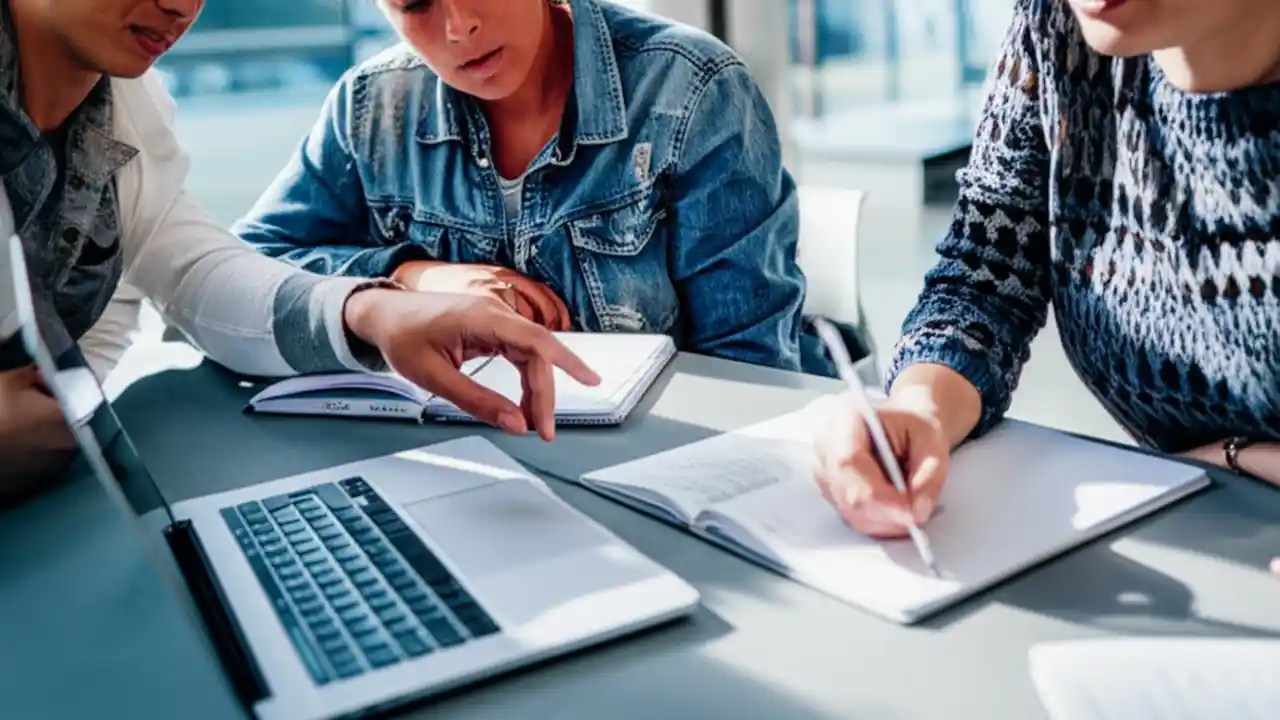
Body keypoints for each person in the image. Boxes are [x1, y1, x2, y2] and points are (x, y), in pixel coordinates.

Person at [0, 0, 598, 503]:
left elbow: (196, 270)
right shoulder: (372, 102)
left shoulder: (130, 108)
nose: (182, 6)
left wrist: (374, 311)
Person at [812, 0, 1280, 578]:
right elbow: (986, 274)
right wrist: (920, 410)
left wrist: (1233, 461)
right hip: (1198, 541)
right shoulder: (1059, 28)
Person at [232, 0, 808, 372]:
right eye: (416, 4)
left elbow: (751, 369)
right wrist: (412, 277)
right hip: (459, 463)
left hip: (657, 468)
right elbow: (244, 272)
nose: (460, 27)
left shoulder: (688, 89)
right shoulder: (371, 109)